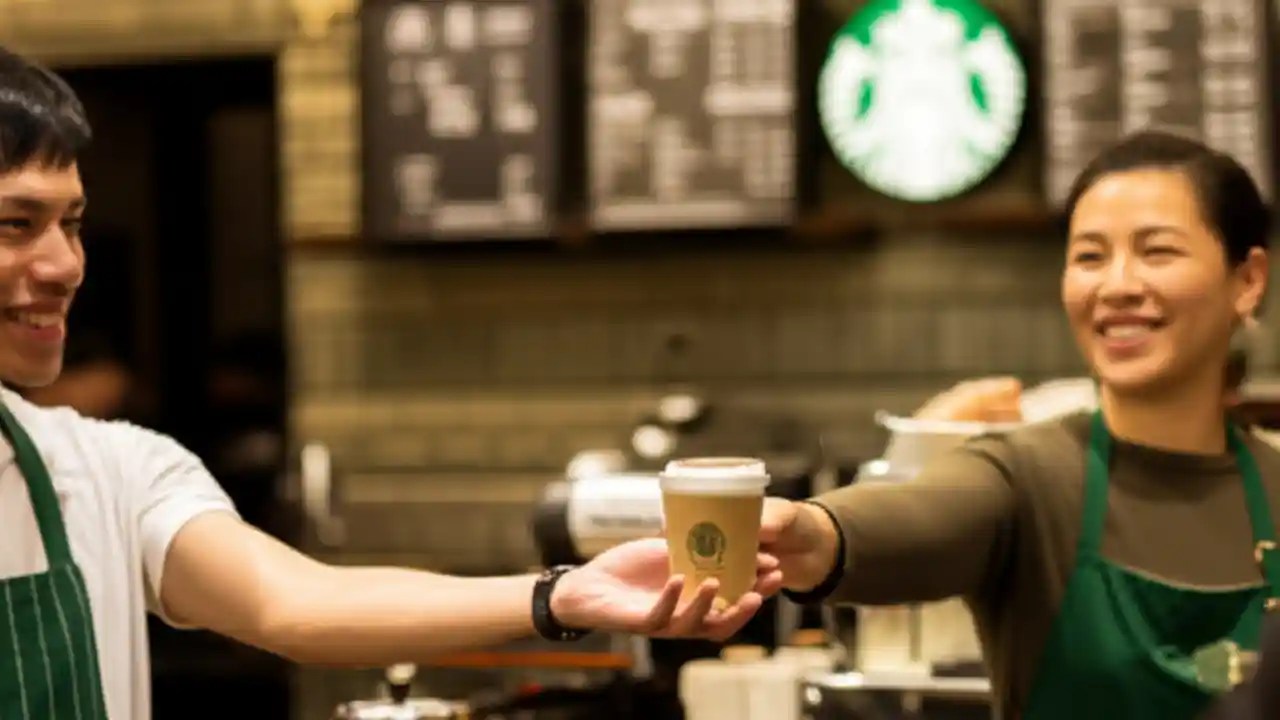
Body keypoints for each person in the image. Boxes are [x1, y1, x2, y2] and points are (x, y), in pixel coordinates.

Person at [0, 47, 783, 720]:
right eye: (16, 224)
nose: (66, 265)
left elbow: (300, 605)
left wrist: (561, 597)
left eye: (70, 223)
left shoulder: (105, 474)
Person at [761, 130, 1277, 720]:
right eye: (1089, 257)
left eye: (1157, 251)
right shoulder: (1027, 475)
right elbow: (919, 515)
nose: (1117, 286)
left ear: (1248, 281)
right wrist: (811, 533)